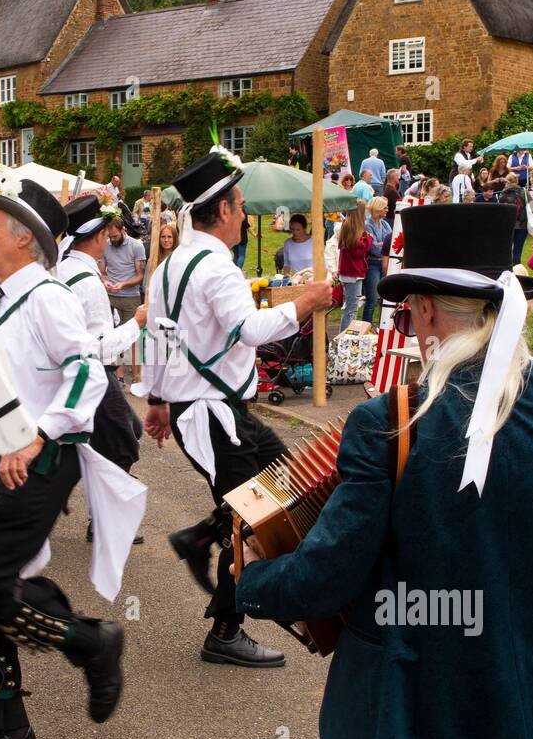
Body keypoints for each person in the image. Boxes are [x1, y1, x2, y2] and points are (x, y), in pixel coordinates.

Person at [234, 202, 533, 739]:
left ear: (424, 311)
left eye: (405, 318)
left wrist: (249, 585)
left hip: (420, 717)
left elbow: (327, 576)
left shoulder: (388, 422)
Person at [0, 175, 125, 739]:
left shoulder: (47, 296)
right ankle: (13, 736)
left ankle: (91, 644)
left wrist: (41, 434)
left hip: (40, 462)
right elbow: (9, 380)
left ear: (26, 238)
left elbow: (86, 373)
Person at [138, 149, 333, 668]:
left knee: (281, 477)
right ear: (222, 211)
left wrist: (157, 399)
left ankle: (200, 536)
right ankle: (225, 629)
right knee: (255, 519)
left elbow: (158, 340)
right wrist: (307, 303)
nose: (245, 215)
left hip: (206, 411)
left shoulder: (169, 266)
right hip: (214, 415)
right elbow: (251, 331)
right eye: (241, 206)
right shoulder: (218, 269)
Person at [57, 193, 147, 514]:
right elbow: (99, 347)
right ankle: (104, 518)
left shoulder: (66, 268)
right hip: (92, 373)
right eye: (106, 232)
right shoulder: (86, 282)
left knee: (125, 431)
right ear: (97, 236)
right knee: (122, 444)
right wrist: (137, 322)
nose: (110, 237)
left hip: (75, 372)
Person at [102, 211, 147, 383]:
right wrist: (105, 281)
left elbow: (139, 275)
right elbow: (102, 271)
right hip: (110, 295)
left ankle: (137, 377)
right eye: (110, 236)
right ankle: (119, 377)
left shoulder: (136, 246)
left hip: (130, 296)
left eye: (114, 236)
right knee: (113, 336)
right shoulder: (106, 245)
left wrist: (123, 284)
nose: (112, 239)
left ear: (123, 230)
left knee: (134, 337)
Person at [332, 200, 370, 334]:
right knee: (351, 308)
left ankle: (346, 334)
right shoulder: (353, 228)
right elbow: (357, 251)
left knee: (351, 307)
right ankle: (344, 336)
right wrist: (368, 239)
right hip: (352, 273)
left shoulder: (348, 226)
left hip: (350, 272)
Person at [497, 172, 529, 265]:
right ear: (517, 181)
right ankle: (517, 269)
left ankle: (505, 267)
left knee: (506, 249)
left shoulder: (503, 193)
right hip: (522, 224)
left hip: (508, 224)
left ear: (507, 181)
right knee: (518, 250)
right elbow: (531, 205)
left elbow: (500, 208)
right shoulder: (524, 191)